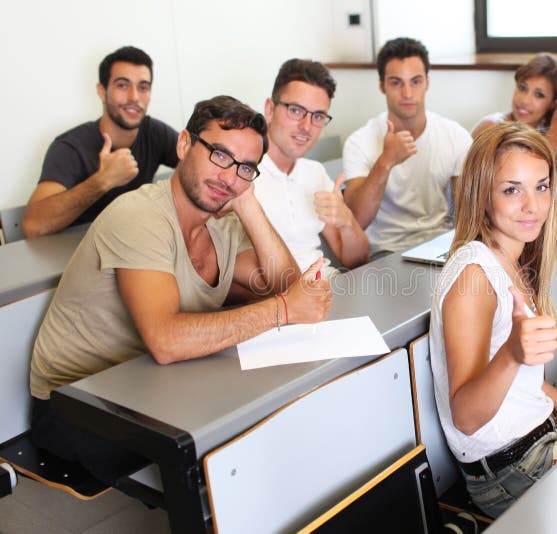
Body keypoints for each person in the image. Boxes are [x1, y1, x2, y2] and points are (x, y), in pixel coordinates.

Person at [29, 95, 332, 484]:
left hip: (153, 385)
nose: (229, 177)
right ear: (185, 145)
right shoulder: (139, 215)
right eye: (220, 156)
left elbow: (289, 286)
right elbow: (166, 340)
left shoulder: (224, 220)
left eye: (245, 168)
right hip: (78, 405)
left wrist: (248, 205)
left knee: (279, 421)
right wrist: (283, 310)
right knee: (232, 460)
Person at [429, 122, 557, 518]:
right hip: (507, 472)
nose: (532, 205)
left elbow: (522, 385)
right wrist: (513, 352)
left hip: (540, 438)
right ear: (482, 195)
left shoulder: (511, 260)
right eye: (512, 189)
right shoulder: (473, 275)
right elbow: (466, 416)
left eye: (542, 186)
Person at [22, 46, 179, 238]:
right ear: (102, 91)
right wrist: (103, 180)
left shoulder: (155, 132)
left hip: (134, 244)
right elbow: (33, 225)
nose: (134, 97)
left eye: (143, 87)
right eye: (122, 85)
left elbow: (197, 165)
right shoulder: (70, 147)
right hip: (76, 253)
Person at [342, 37, 473, 256]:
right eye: (396, 83)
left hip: (440, 246)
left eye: (415, 81)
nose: (407, 94)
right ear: (381, 86)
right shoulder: (359, 141)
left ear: (427, 82)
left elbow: (469, 213)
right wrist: (386, 161)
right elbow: (356, 220)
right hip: (384, 251)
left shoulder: (455, 135)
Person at [254, 58, 369, 279]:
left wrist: (347, 221)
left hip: (329, 285)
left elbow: (358, 261)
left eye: (317, 116)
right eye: (296, 111)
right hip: (277, 296)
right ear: (270, 109)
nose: (306, 127)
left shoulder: (315, 172)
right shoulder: (242, 174)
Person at [471, 53, 557, 186]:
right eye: (522, 88)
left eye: (539, 95)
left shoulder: (540, 131)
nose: (525, 100)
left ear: (553, 103)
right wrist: (554, 136)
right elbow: (520, 182)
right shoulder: (492, 127)